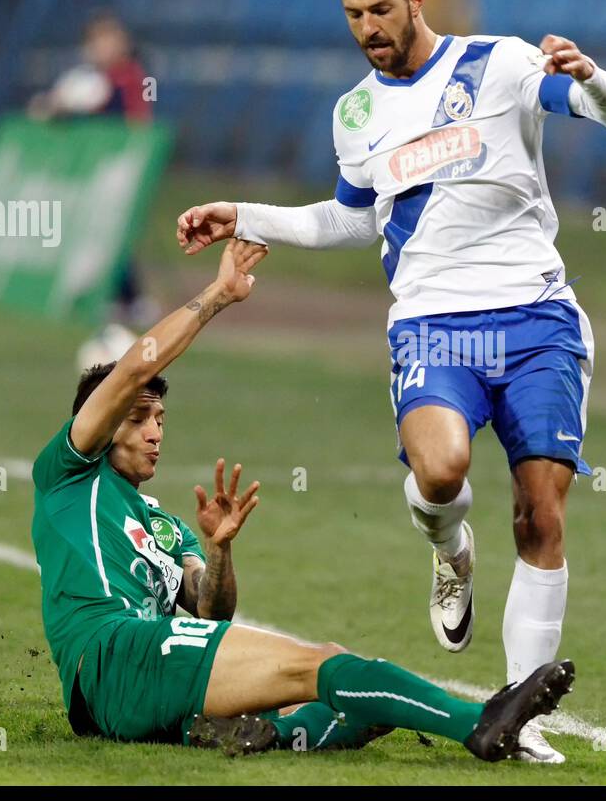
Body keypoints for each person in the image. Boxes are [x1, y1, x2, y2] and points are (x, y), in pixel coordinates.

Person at [175, 0, 606, 764]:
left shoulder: (497, 65)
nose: (367, 28)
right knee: (441, 471)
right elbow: (348, 218)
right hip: (433, 323)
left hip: (536, 318)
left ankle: (518, 721)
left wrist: (592, 75)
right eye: (353, 14)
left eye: (380, 8)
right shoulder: (356, 113)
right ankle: (449, 546)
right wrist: (242, 213)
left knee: (541, 516)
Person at [31, 235, 575, 761]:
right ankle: (479, 721)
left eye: (161, 420)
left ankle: (254, 733)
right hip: (110, 655)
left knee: (351, 680)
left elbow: (209, 609)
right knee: (317, 668)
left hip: (148, 672)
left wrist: (218, 552)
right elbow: (136, 367)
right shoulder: (69, 470)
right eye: (137, 418)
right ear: (98, 427)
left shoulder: (162, 524)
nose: (155, 433)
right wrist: (217, 295)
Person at [28, 11, 158, 325]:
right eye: (96, 42)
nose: (103, 48)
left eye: (109, 40)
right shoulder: (85, 78)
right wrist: (52, 107)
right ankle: (108, 296)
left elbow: (137, 122)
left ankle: (131, 299)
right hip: (89, 172)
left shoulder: (129, 77)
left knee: (114, 236)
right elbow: (59, 109)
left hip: (117, 171)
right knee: (93, 232)